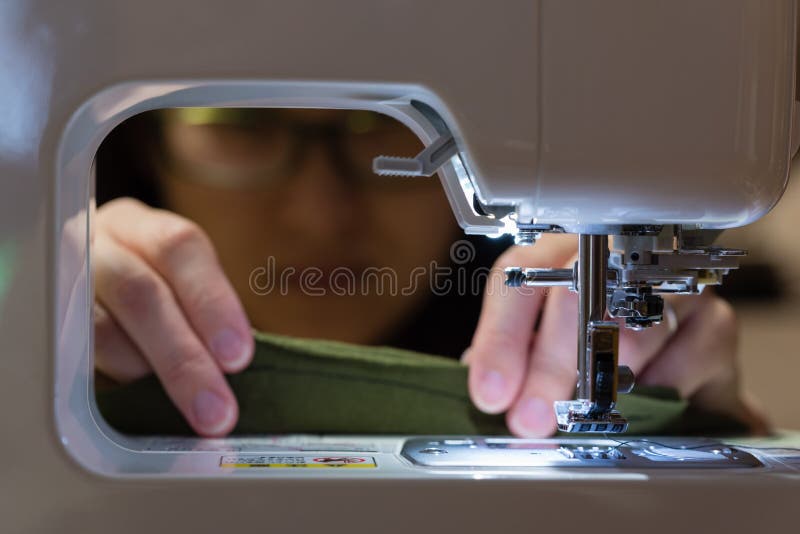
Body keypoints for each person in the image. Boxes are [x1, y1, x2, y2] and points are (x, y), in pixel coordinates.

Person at [93, 107, 767, 437]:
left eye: (384, 126)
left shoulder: (555, 310)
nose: (322, 213)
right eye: (242, 125)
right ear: (144, 141)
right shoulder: (52, 345)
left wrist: (708, 419)